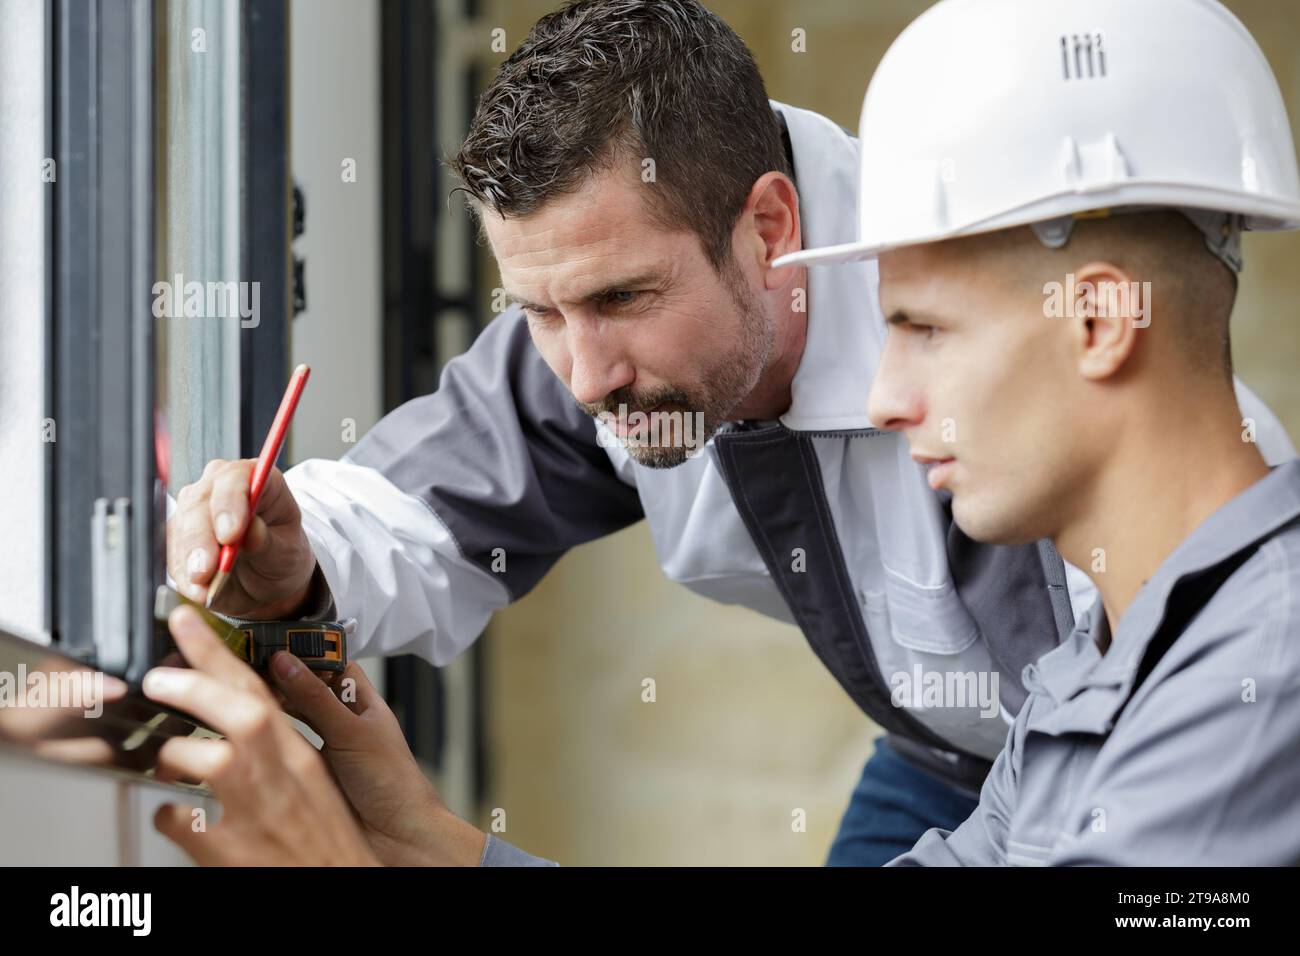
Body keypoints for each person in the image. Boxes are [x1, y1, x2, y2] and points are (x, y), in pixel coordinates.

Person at [159, 0, 1295, 866]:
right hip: (978, 763)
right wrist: (436, 844)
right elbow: (417, 507)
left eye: (923, 329)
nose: (581, 374)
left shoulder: (1205, 627)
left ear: (770, 229)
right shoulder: (608, 322)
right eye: (541, 311)